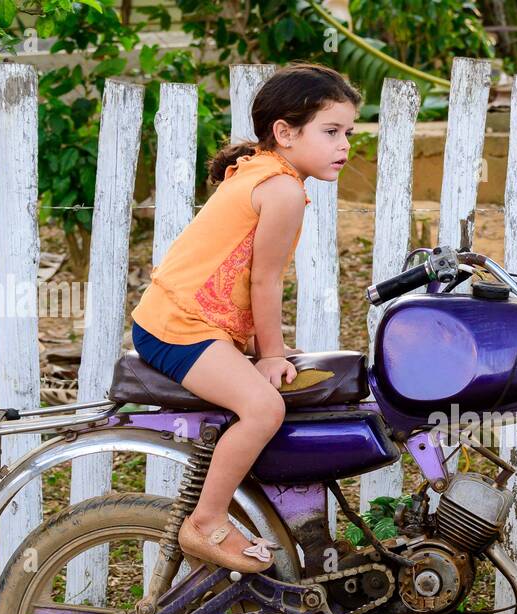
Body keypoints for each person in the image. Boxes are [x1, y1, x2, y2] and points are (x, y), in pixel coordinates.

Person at [129, 63, 360, 573]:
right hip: (179, 328)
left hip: (184, 319)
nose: (344, 145)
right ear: (285, 132)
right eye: (330, 132)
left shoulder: (263, 170)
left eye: (348, 133)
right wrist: (270, 354)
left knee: (270, 396)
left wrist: (265, 350)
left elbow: (246, 274)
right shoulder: (280, 190)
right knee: (264, 410)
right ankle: (205, 522)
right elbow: (264, 281)